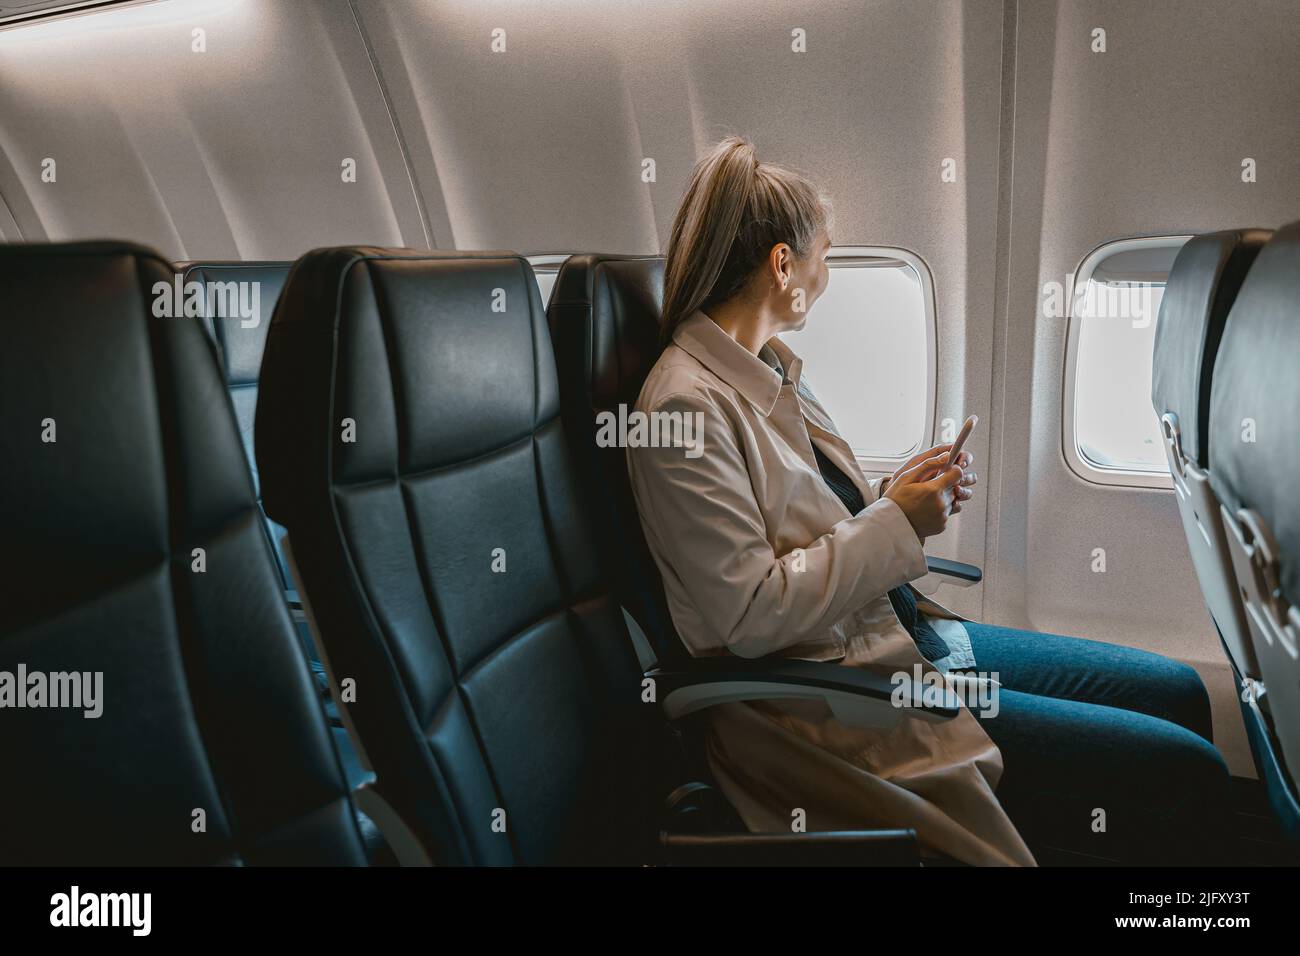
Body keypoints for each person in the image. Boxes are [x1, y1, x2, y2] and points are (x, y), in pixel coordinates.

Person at [626, 135, 1231, 866]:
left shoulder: (769, 368)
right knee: (1189, 776)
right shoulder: (681, 412)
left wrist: (895, 495)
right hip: (825, 692)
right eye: (825, 254)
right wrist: (896, 521)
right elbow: (749, 613)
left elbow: (807, 520)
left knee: (1175, 691)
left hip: (892, 636)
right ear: (783, 264)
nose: (827, 273)